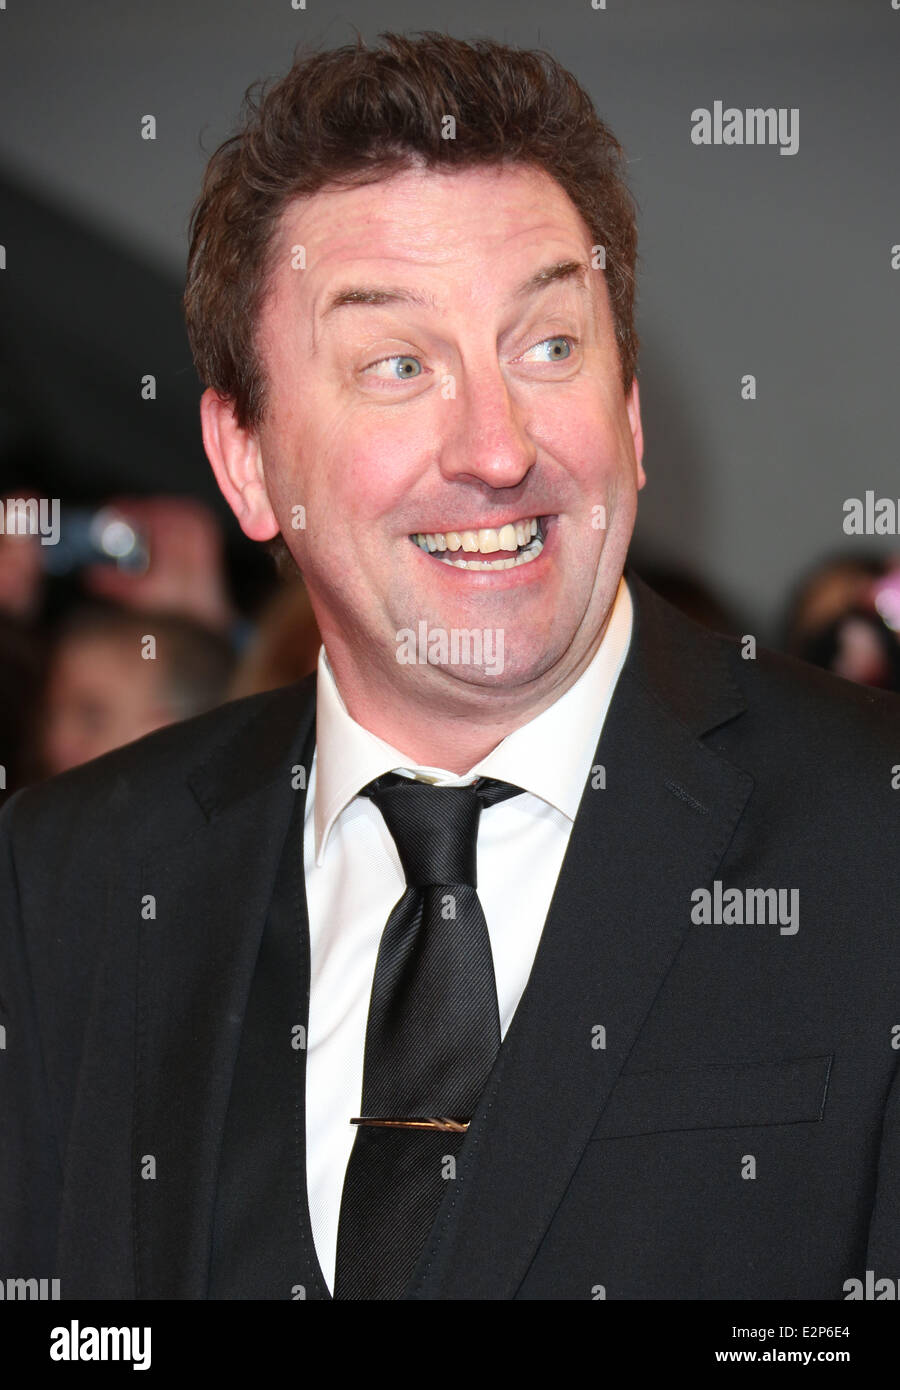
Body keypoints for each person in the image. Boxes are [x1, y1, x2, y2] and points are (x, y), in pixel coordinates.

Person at [1, 31, 898, 1302]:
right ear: (247, 459)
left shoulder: (874, 836)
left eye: (547, 347)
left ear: (630, 412)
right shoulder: (68, 882)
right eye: (398, 365)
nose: (495, 446)